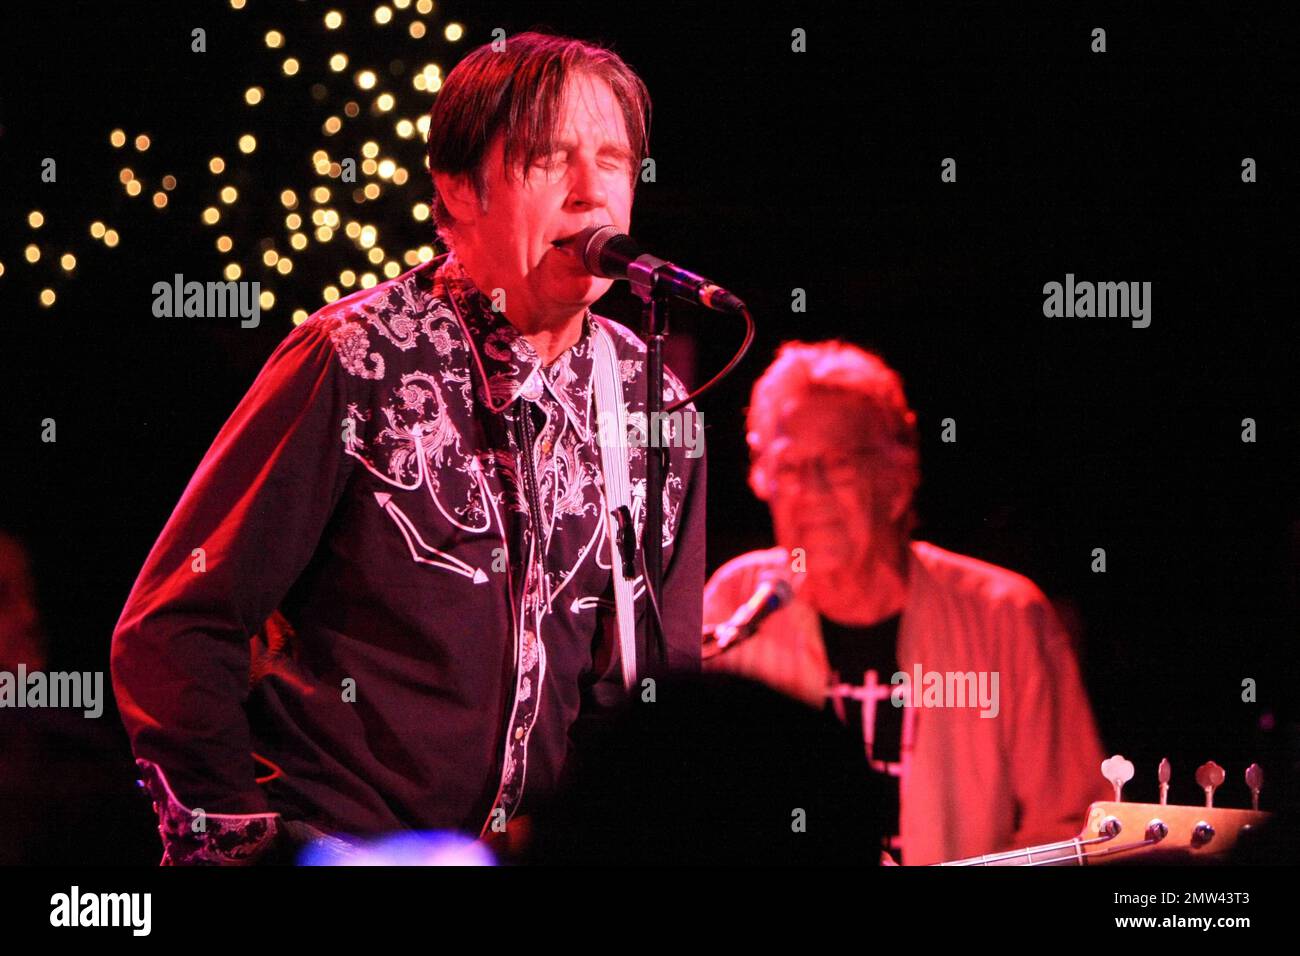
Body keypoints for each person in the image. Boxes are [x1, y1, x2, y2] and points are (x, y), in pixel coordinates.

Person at [110, 31, 706, 865]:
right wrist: (246, 846)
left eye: (611, 161)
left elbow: (656, 692)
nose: (588, 193)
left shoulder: (654, 401)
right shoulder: (355, 356)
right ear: (457, 191)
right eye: (547, 158)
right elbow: (176, 625)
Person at [703, 341, 1108, 864]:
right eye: (789, 467)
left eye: (838, 462)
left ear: (897, 476)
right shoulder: (736, 602)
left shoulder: (1005, 614)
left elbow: (1073, 825)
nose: (810, 491)